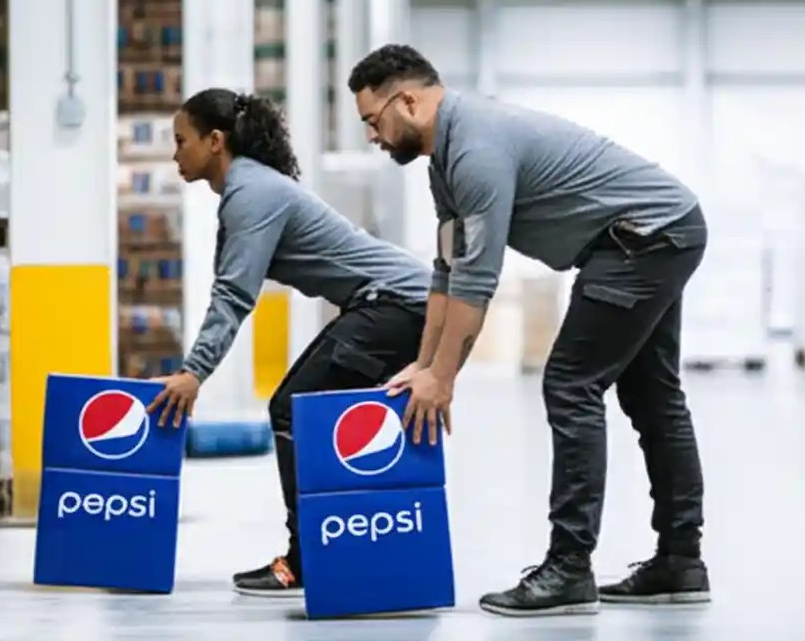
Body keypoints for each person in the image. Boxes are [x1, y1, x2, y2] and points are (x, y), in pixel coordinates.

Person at [347, 44, 712, 617]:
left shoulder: (475, 149)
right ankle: (680, 562)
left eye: (374, 121)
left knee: (571, 384)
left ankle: (570, 567)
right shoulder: (444, 161)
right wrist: (425, 366)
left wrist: (445, 377)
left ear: (409, 101)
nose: (373, 135)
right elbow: (448, 270)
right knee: (651, 395)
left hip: (645, 235)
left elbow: (478, 282)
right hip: (651, 233)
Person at [146, 87, 431, 598]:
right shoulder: (248, 191)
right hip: (393, 304)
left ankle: (307, 560)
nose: (174, 153)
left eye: (180, 140)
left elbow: (233, 294)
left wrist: (195, 373)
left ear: (215, 141)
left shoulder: (252, 193)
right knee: (319, 412)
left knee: (293, 408)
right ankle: (345, 550)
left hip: (395, 303)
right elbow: (231, 283)